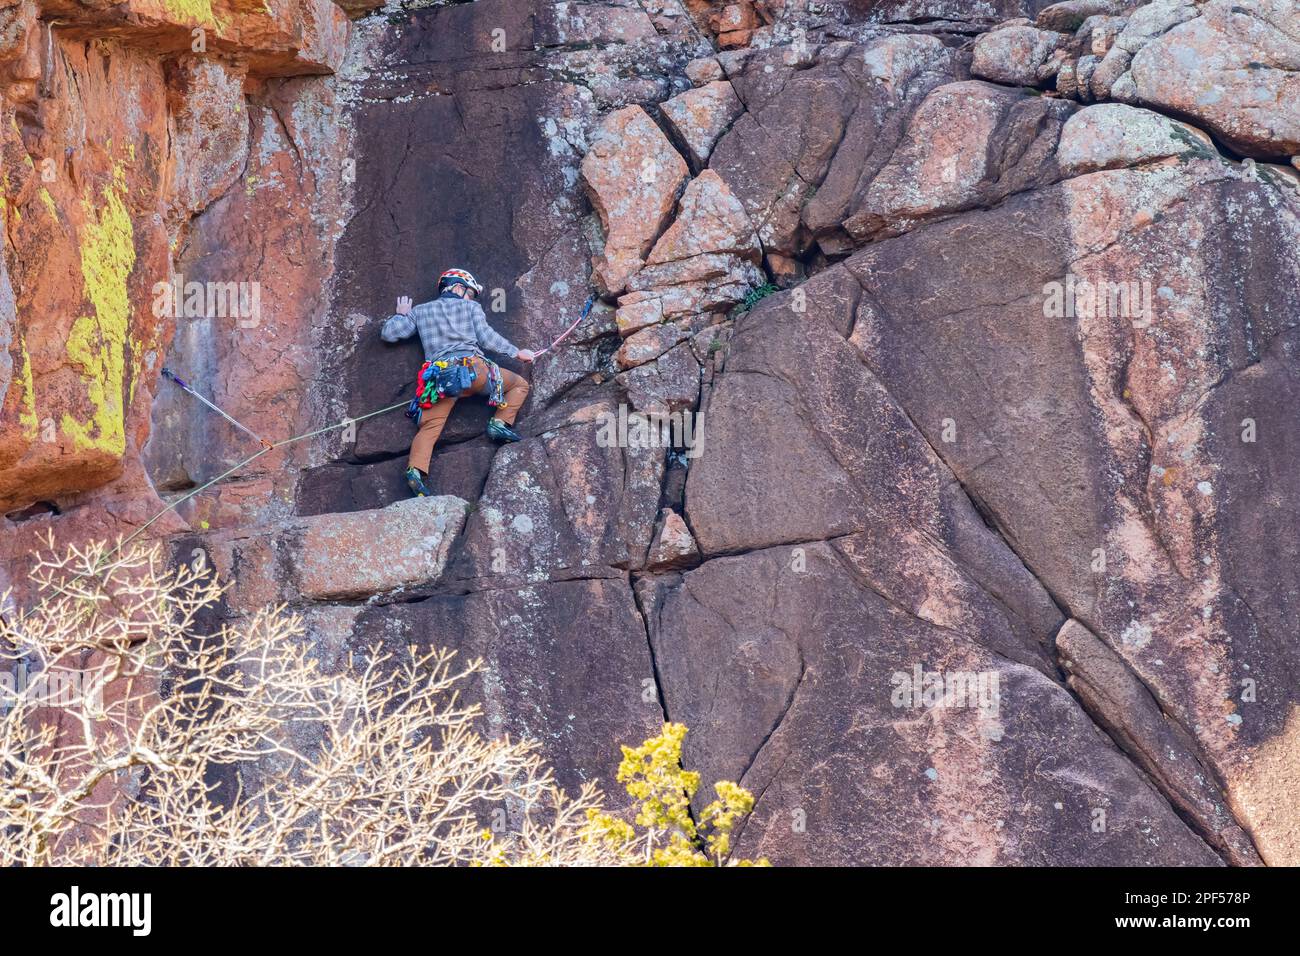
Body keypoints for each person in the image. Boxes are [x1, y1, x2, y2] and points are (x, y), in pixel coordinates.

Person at [381, 268, 534, 497]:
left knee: (430, 427)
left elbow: (389, 334)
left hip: (440, 380)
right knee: (519, 384)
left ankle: (415, 470)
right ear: (458, 287)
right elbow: (486, 337)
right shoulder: (470, 307)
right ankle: (499, 424)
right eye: (470, 293)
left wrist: (402, 314)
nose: (471, 298)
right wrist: (517, 352)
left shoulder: (420, 312)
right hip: (475, 372)